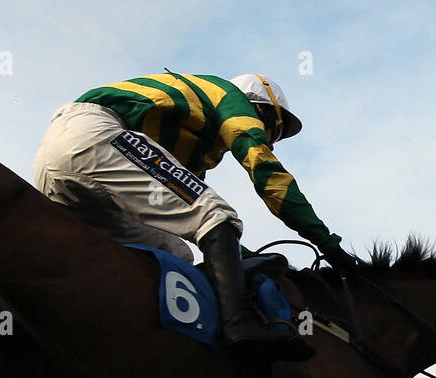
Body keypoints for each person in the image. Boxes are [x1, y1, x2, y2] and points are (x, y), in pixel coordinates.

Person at [32, 72, 361, 361]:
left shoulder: (191, 148)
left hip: (57, 160)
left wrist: (246, 261)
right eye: (274, 129)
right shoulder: (230, 98)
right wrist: (327, 244)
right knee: (217, 213)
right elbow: (264, 172)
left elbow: (198, 229)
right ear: (260, 107)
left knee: (176, 252)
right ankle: (239, 325)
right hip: (92, 133)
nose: (271, 139)